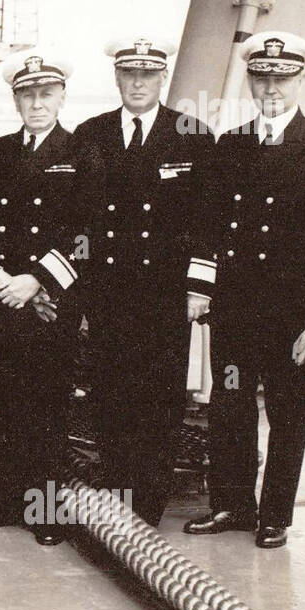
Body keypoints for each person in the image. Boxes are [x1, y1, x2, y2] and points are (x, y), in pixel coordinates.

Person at [184, 31, 305, 548]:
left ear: (300, 79)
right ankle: (233, 505)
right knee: (229, 401)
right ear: (251, 82)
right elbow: (208, 224)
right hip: (234, 303)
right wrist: (200, 288)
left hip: (289, 308)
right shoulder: (229, 144)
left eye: (281, 78)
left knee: (286, 408)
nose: (271, 88)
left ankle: (275, 513)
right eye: (261, 78)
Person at [0, 50, 97, 546]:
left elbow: (87, 233)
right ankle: (4, 500)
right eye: (27, 94)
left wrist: (37, 279)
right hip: (5, 299)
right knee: (10, 401)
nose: (37, 103)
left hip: (51, 300)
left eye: (46, 93)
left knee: (50, 405)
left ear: (62, 96)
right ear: (15, 98)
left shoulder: (83, 153)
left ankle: (44, 510)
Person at [73, 35, 212, 526]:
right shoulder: (91, 134)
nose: (137, 83)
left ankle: (147, 507)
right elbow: (79, 219)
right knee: (109, 396)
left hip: (165, 295)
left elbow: (207, 220)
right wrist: (80, 290)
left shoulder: (192, 133)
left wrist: (199, 288)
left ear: (161, 78)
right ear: (117, 78)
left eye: (147, 75)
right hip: (107, 292)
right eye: (128, 74)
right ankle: (114, 499)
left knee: (159, 399)